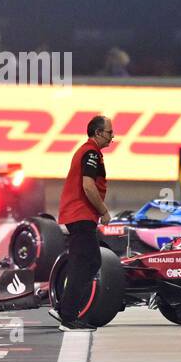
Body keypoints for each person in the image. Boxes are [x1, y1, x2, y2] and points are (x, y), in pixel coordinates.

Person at [54, 115, 115, 329]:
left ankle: (64, 310)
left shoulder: (89, 151)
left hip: (79, 216)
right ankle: (69, 317)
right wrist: (104, 211)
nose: (112, 137)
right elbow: (88, 186)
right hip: (81, 215)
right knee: (87, 263)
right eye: (109, 133)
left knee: (86, 263)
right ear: (98, 133)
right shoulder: (90, 152)